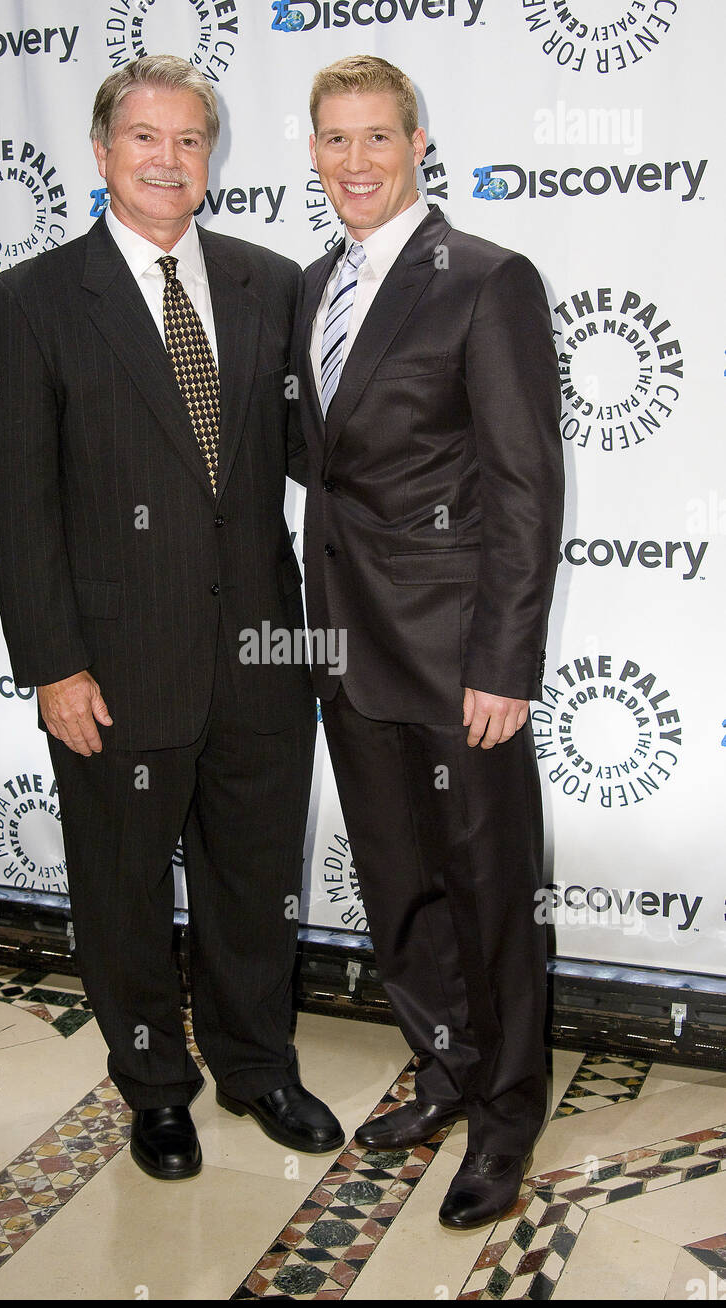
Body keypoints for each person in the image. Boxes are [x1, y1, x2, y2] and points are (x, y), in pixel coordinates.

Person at [0, 54, 343, 1182]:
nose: (168, 160)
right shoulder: (32, 298)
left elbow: (315, 456)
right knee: (123, 889)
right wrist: (51, 664)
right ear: (101, 152)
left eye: (189, 141)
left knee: (250, 875)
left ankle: (256, 1064)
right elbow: (14, 500)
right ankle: (154, 1085)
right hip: (113, 666)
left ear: (209, 158)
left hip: (260, 655)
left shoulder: (270, 282)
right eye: (144, 138)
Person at [295, 56, 564, 1229]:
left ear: (416, 144)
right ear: (312, 153)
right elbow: (330, 463)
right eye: (333, 141)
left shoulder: (486, 279)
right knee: (398, 888)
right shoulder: (309, 287)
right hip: (345, 650)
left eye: (375, 138)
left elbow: (521, 488)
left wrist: (503, 663)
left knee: (488, 890)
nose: (354, 162)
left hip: (459, 659)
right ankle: (445, 1068)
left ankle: (505, 1111)